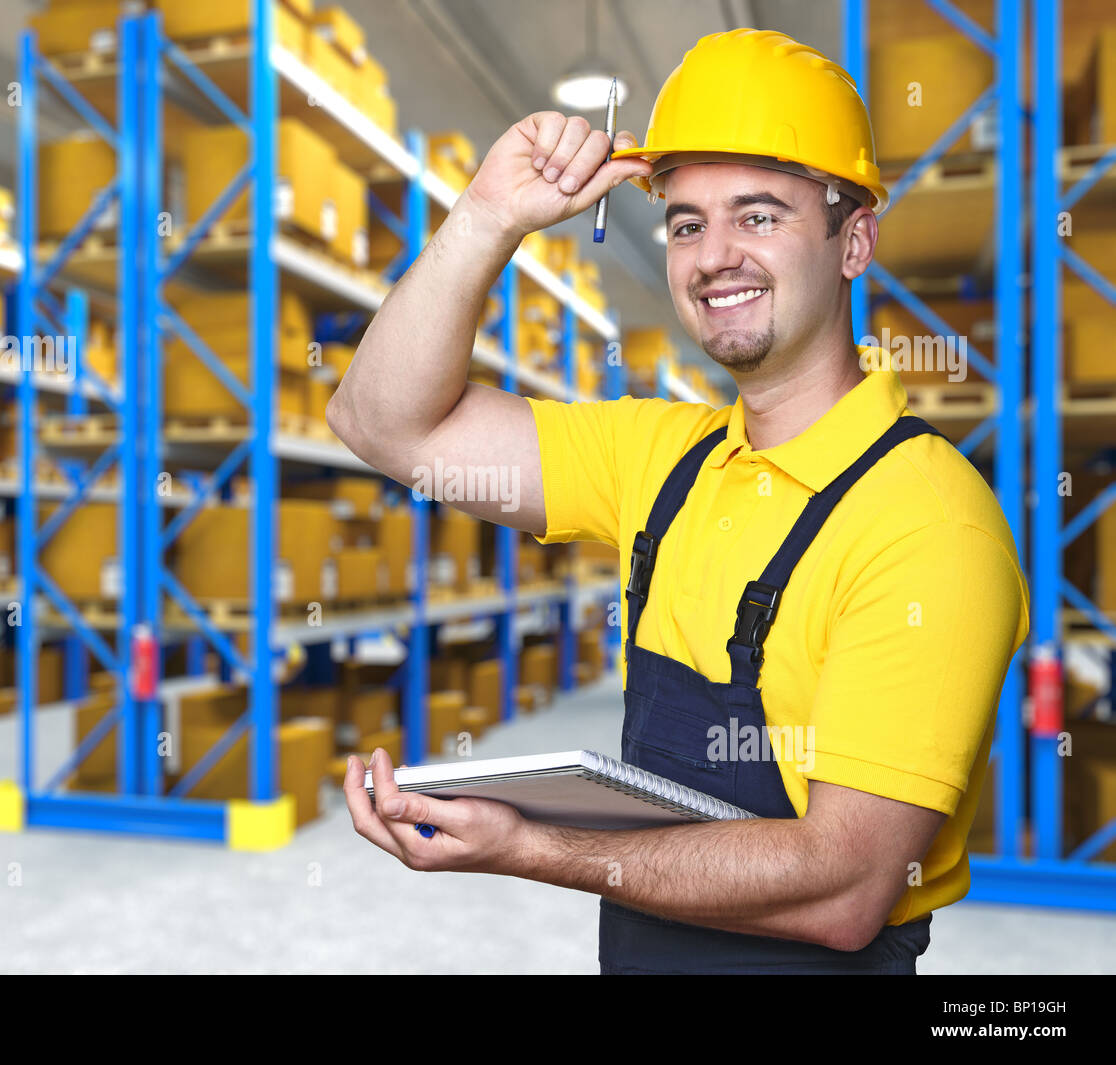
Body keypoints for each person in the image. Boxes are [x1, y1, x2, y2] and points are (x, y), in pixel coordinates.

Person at [328, 28, 1029, 974]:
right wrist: (488, 215)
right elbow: (383, 423)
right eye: (688, 223)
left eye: (760, 215)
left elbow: (845, 889)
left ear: (853, 238)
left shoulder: (928, 524)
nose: (714, 256)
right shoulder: (663, 458)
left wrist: (527, 847)